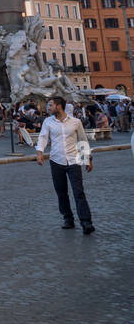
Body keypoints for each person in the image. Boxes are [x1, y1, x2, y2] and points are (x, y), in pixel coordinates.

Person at [35, 97, 95, 234]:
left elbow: (83, 140)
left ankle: (86, 222)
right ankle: (68, 218)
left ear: (59, 106)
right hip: (56, 161)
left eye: (50, 105)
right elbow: (43, 137)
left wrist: (88, 159)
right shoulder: (48, 121)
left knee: (78, 192)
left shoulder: (76, 122)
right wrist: (39, 153)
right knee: (61, 193)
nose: (47, 108)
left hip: (74, 160)